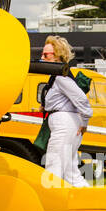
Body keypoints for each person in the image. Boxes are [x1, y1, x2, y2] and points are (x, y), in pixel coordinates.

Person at [40, 35, 91, 187]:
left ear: (57, 57)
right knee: (70, 172)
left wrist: (85, 122)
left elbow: (82, 100)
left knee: (54, 166)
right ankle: (89, 201)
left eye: (46, 54)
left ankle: (52, 203)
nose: (42, 57)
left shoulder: (61, 78)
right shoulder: (58, 77)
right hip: (67, 122)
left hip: (64, 124)